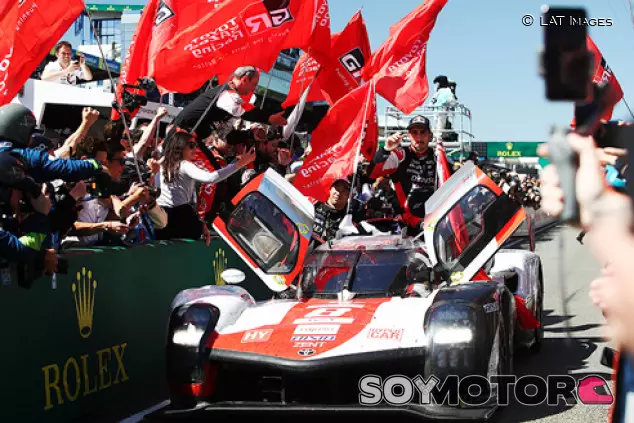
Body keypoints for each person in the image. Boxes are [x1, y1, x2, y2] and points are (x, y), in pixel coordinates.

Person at [155, 131, 256, 244]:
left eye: (196, 146)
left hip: (160, 215)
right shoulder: (184, 165)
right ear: (181, 146)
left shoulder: (162, 163)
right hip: (179, 217)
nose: (195, 149)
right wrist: (240, 164)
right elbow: (211, 178)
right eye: (192, 146)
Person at [170, 66, 287, 142]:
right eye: (254, 84)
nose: (254, 88)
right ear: (245, 79)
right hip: (179, 137)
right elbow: (245, 111)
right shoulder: (227, 93)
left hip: (190, 138)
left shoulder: (229, 92)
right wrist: (269, 118)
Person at [368, 115, 437, 235]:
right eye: (414, 132)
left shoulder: (438, 158)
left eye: (423, 132)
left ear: (430, 136)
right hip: (406, 223)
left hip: (436, 220)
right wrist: (386, 149)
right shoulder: (401, 154)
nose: (419, 137)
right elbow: (372, 173)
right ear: (409, 136)